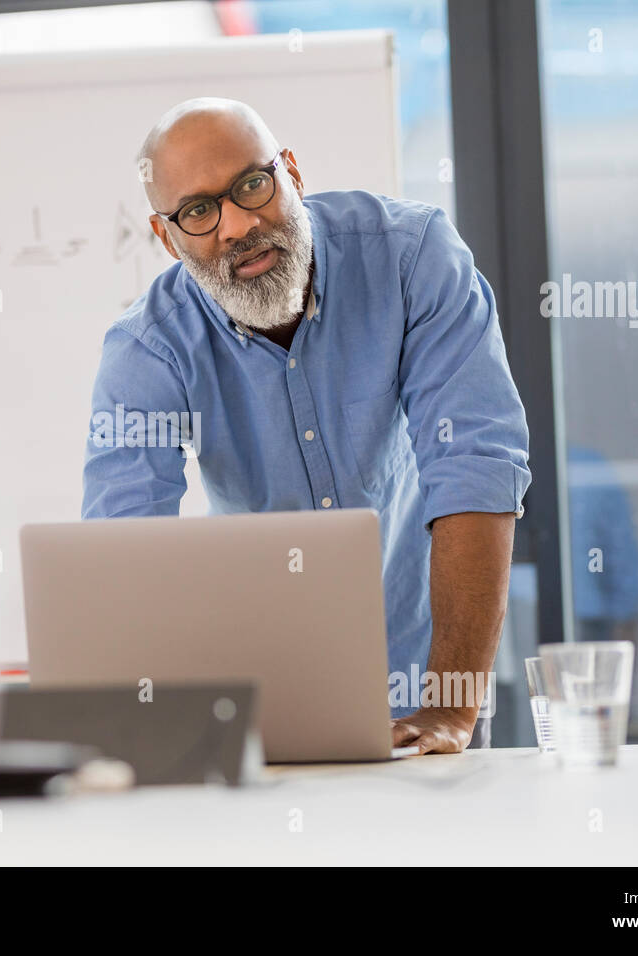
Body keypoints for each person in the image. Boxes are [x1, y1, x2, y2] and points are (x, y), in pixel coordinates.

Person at [82, 98, 531, 753]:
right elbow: (126, 554)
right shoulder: (149, 349)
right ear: (166, 237)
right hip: (257, 710)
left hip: (433, 676)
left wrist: (451, 708)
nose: (235, 226)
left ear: (291, 172)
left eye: (252, 186)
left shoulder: (413, 258)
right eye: (199, 212)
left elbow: (475, 465)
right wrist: (149, 727)